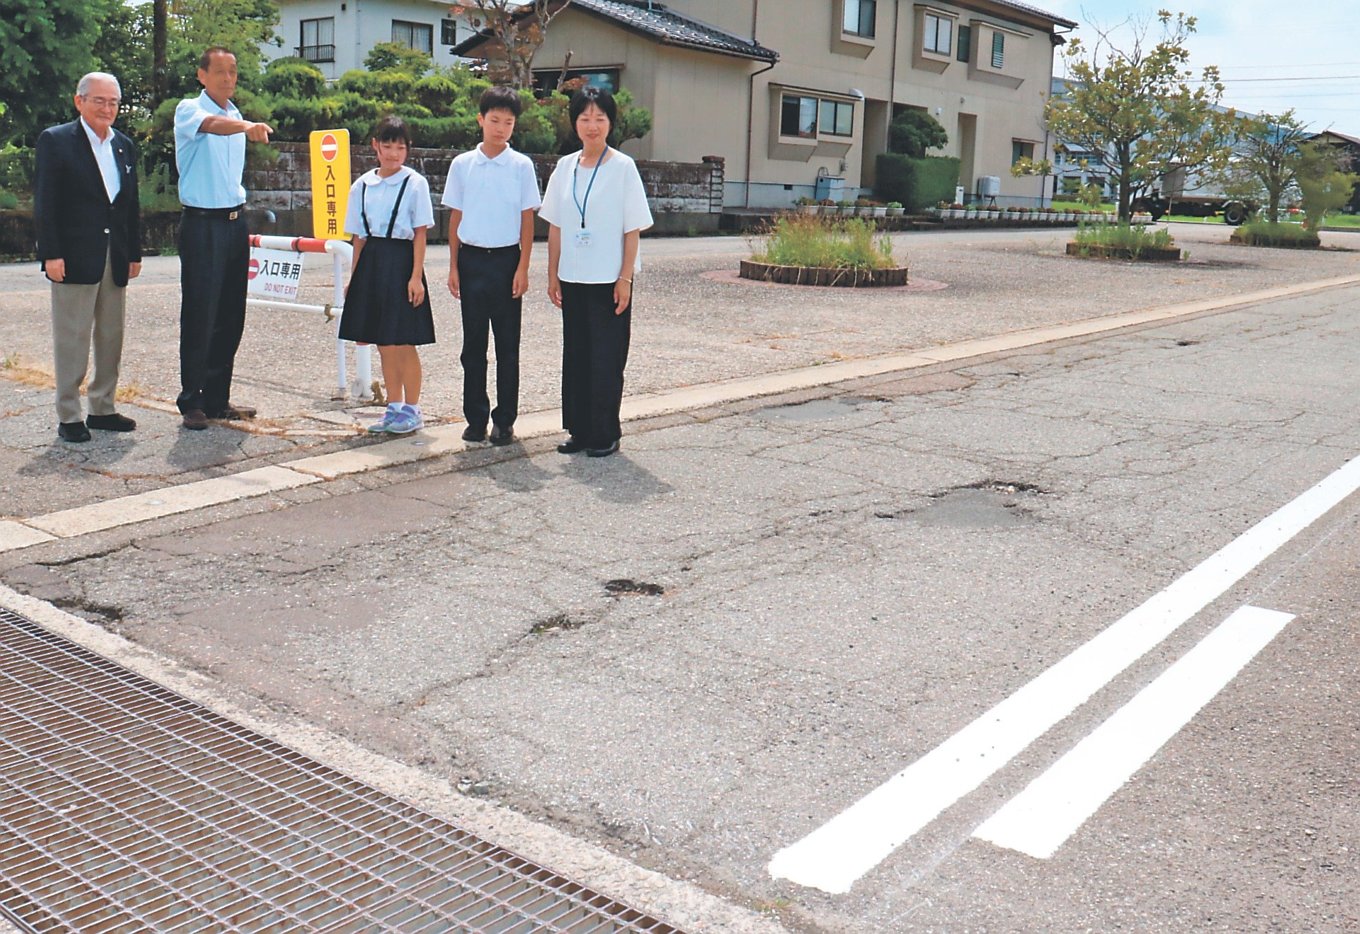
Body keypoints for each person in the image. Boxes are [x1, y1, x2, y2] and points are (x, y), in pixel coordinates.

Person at [540, 87, 653, 458]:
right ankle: (579, 429)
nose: (592, 126)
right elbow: (555, 225)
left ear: (610, 123)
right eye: (585, 118)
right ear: (575, 122)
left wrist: (626, 278)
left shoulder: (622, 167)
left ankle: (605, 431)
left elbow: (631, 228)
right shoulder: (565, 166)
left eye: (599, 118)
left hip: (608, 279)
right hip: (573, 277)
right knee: (576, 355)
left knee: (606, 357)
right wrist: (552, 273)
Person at [34, 72, 142, 443]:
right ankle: (69, 414)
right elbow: (45, 202)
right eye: (99, 100)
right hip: (73, 254)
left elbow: (130, 205)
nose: (107, 108)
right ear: (79, 101)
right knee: (73, 337)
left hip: (115, 254)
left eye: (113, 102)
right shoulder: (57, 140)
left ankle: (103, 407)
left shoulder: (124, 145)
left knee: (112, 335)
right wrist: (51, 254)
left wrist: (134, 252)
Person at [173, 46, 273, 431]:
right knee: (201, 312)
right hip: (202, 224)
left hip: (235, 223)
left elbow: (227, 124)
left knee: (231, 314)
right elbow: (211, 126)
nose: (228, 78)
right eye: (220, 71)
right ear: (202, 75)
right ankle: (192, 399)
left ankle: (217, 398)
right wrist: (247, 127)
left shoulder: (235, 115)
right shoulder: (189, 110)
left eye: (233, 72)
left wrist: (244, 124)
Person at [442, 86, 541, 446]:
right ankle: (475, 418)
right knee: (473, 347)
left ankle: (505, 420)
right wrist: (453, 266)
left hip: (505, 260)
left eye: (508, 122)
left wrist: (523, 267)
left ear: (515, 125)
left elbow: (527, 220)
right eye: (494, 120)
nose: (500, 128)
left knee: (507, 346)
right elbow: (455, 218)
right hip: (471, 260)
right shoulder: (463, 164)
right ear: (481, 120)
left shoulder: (521, 166)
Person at [339, 116, 435, 434]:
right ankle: (393, 408)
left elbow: (421, 232)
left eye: (401, 147)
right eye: (388, 146)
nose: (394, 153)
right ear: (375, 147)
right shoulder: (362, 185)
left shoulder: (414, 183)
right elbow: (359, 238)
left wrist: (416, 276)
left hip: (403, 260)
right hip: (371, 263)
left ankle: (412, 408)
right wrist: (354, 278)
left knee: (404, 341)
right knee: (383, 342)